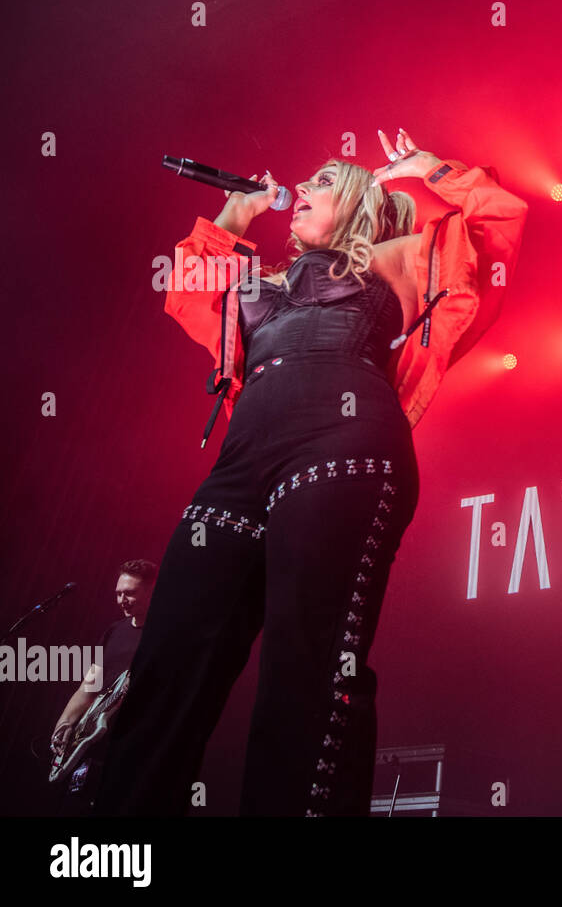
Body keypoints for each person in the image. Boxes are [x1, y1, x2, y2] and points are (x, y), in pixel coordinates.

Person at [93, 128, 527, 816]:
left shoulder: (398, 257)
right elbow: (188, 291)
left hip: (345, 444)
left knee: (308, 663)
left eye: (325, 180)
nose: (302, 187)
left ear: (359, 201)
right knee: (169, 655)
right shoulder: (261, 280)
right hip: (242, 461)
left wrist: (427, 169)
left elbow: (497, 222)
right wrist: (237, 211)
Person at [50, 559, 157, 815]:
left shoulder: (162, 635)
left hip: (131, 745)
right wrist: (64, 723)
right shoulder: (114, 631)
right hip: (92, 744)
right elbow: (88, 687)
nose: (121, 600)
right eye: (118, 593)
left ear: (153, 590)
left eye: (129, 593)